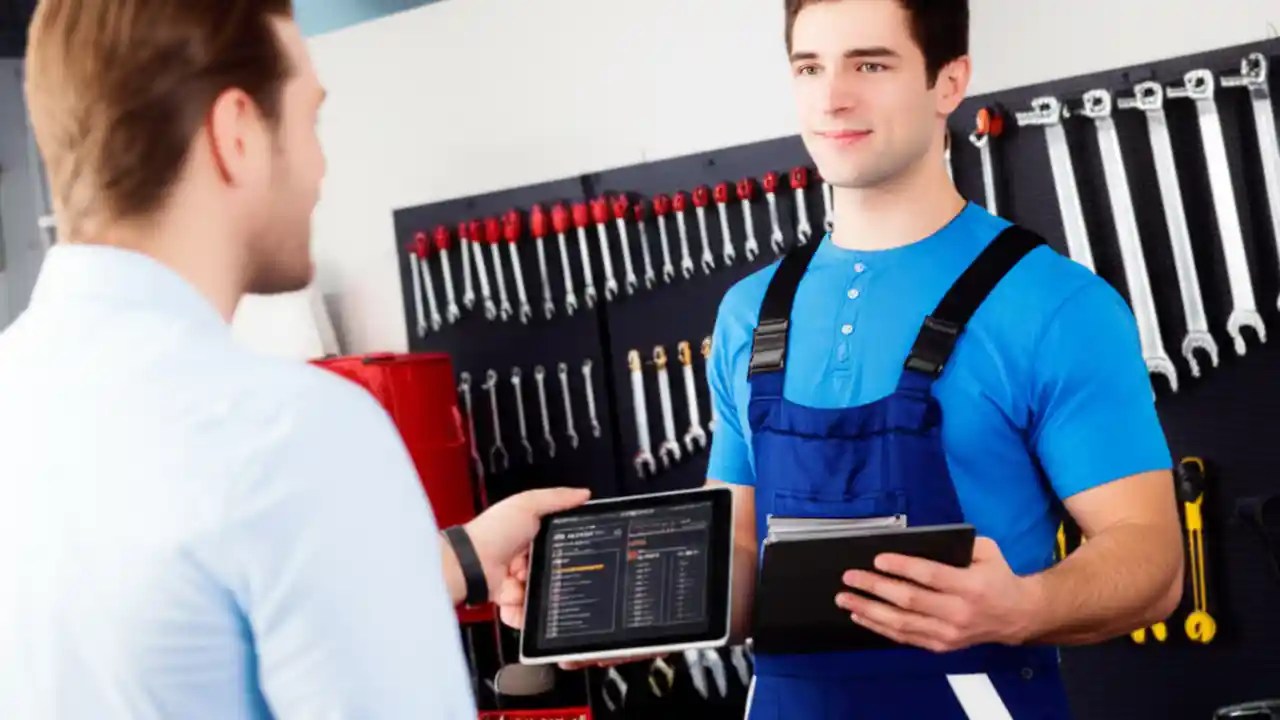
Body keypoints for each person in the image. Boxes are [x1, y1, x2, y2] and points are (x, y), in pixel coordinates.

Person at [500, 0, 1185, 717]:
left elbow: (1151, 559)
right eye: (810, 67)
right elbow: (739, 550)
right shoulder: (751, 313)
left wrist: (1022, 607)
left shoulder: (1056, 306)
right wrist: (621, 607)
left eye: (871, 64)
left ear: (948, 84)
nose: (833, 97)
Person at [0, 2, 588, 718]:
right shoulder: (296, 432)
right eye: (310, 119)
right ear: (238, 133)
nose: (320, 167)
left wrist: (461, 559)